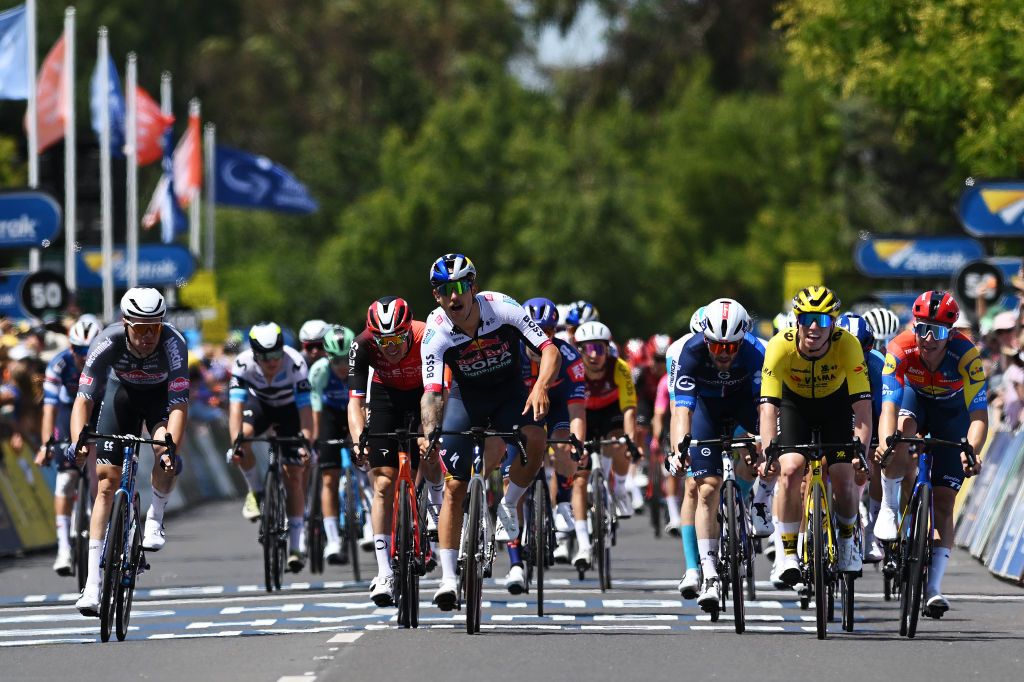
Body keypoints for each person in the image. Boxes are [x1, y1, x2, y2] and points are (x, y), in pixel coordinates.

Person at [419, 254, 560, 610]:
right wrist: (431, 431)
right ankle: (449, 578)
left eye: (461, 287)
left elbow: (549, 350)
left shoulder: (503, 308)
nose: (455, 297)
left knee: (536, 440)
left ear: (473, 288)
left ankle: (509, 506)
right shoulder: (435, 332)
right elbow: (433, 392)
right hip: (466, 401)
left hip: (510, 394)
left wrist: (541, 385)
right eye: (445, 290)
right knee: (454, 485)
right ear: (437, 296)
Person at [72, 288, 189, 616]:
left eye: (155, 327)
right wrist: (80, 440)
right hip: (119, 397)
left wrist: (169, 450)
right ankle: (92, 585)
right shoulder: (107, 341)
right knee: (106, 486)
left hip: (158, 402)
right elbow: (84, 399)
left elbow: (179, 404)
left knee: (166, 454)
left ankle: (155, 516)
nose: (149, 335)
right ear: (125, 324)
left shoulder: (174, 343)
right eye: (141, 328)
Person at [875, 290, 986, 616]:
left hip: (953, 414)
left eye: (936, 332)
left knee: (943, 502)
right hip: (914, 401)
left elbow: (980, 418)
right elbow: (889, 408)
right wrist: (886, 442)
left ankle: (934, 588)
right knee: (900, 435)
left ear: (950, 333)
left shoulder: (967, 355)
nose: (927, 339)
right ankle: (890, 506)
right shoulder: (900, 347)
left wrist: (972, 450)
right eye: (921, 328)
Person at [758, 286, 872, 587]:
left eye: (821, 320)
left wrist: (862, 450)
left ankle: (847, 540)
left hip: (835, 406)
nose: (813, 327)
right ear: (797, 319)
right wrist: (769, 452)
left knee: (845, 478)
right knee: (791, 469)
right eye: (806, 318)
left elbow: (861, 406)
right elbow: (768, 406)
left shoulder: (848, 345)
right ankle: (788, 553)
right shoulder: (779, 346)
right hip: (795, 405)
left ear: (833, 323)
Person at [666, 298, 764, 608]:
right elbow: (680, 411)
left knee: (759, 457)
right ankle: (708, 573)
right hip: (705, 410)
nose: (723, 354)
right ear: (705, 338)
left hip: (745, 405)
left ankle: (752, 501)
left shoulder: (757, 351)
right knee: (706, 486)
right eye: (716, 346)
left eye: (731, 347)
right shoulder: (689, 352)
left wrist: (762, 440)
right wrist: (678, 450)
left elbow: (766, 406)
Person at [349, 297, 441, 606]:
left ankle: (434, 509)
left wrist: (430, 432)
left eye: (397, 338)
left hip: (424, 393)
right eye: (382, 340)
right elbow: (356, 400)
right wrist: (358, 438)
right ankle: (385, 572)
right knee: (384, 483)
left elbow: (437, 390)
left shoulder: (427, 335)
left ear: (408, 331)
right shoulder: (361, 345)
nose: (390, 346)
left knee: (428, 456)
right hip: (386, 396)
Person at [504, 297, 587, 591]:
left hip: (557, 406)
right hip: (520, 409)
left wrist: (578, 443)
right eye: (536, 330)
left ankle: (563, 500)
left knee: (565, 445)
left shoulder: (570, 358)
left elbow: (576, 411)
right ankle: (514, 563)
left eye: (550, 331)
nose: (542, 336)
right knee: (510, 480)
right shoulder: (510, 353)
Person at [228, 322, 314, 573]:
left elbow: (306, 411)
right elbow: (235, 410)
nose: (272, 361)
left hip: (290, 410)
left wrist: (305, 442)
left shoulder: (296, 362)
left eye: (276, 354)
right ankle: (255, 490)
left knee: (293, 475)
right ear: (254, 354)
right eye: (265, 357)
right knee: (242, 440)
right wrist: (236, 443)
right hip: (260, 406)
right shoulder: (243, 364)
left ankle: (297, 545)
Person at [35, 317, 102, 575]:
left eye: (90, 351)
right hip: (66, 410)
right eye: (79, 351)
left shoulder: (108, 362)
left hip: (98, 410)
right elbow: (49, 409)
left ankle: (100, 529)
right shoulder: (59, 364)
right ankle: (64, 547)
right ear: (70, 348)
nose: (85, 358)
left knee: (99, 477)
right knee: (65, 479)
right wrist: (46, 445)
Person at [575, 321, 638, 519]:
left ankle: (619, 489)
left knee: (618, 441)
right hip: (582, 412)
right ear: (580, 351)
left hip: (610, 410)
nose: (594, 355)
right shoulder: (573, 368)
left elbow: (629, 409)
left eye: (599, 348)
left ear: (607, 349)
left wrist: (630, 441)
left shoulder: (619, 367)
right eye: (588, 348)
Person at [308, 325, 356, 566]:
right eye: (335, 360)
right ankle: (334, 539)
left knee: (370, 469)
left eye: (346, 359)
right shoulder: (318, 371)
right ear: (327, 356)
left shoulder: (361, 368)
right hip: (329, 415)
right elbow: (315, 408)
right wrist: (315, 439)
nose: (341, 366)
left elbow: (366, 404)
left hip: (354, 413)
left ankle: (369, 525)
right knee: (329, 478)